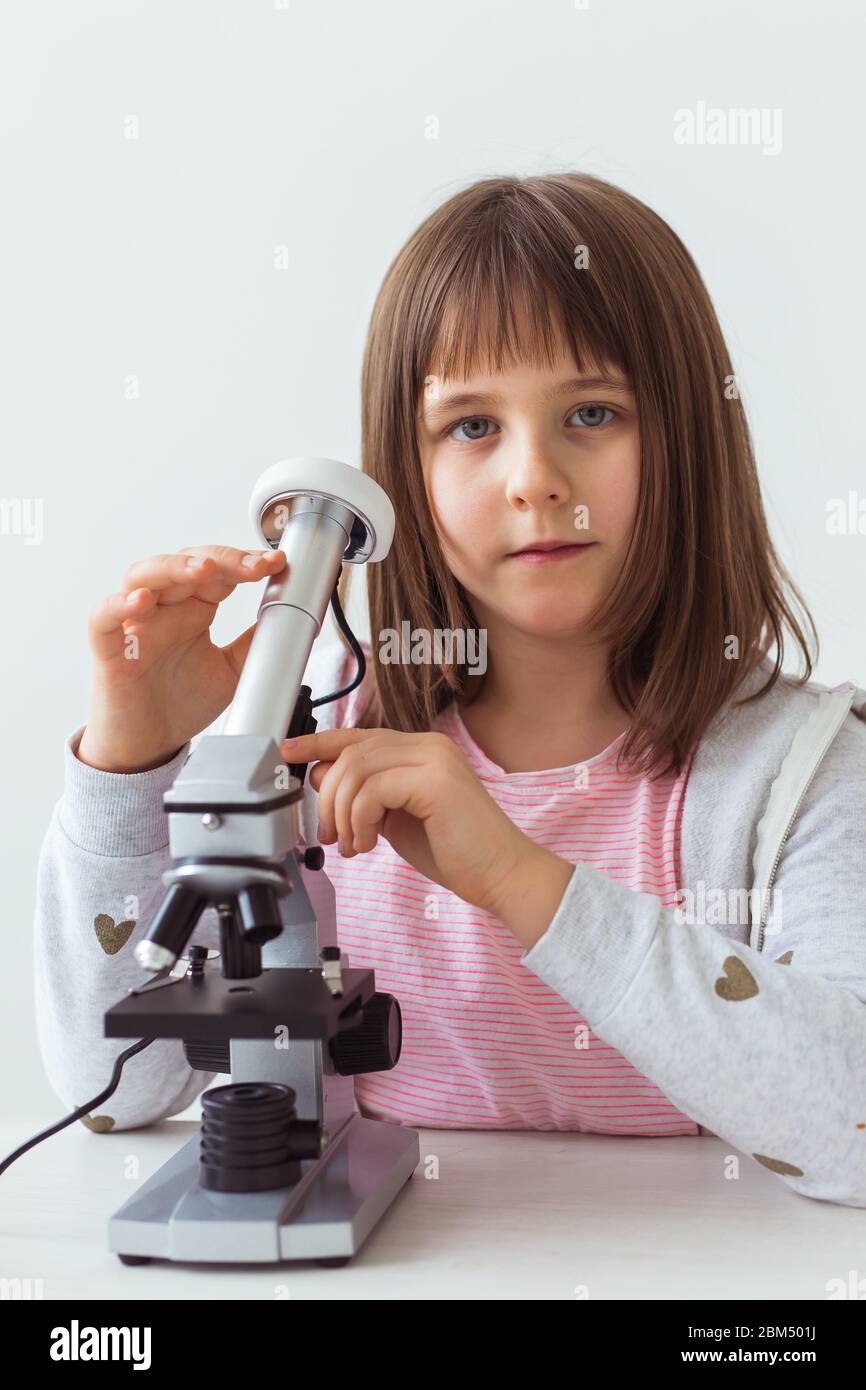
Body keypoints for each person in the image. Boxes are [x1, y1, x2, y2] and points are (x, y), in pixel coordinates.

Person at [34, 172, 866, 1206]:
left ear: (687, 437)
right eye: (471, 427)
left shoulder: (796, 772)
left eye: (592, 412)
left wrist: (520, 880)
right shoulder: (325, 734)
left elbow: (854, 1127)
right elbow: (112, 1093)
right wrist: (131, 758)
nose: (533, 478)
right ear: (405, 476)